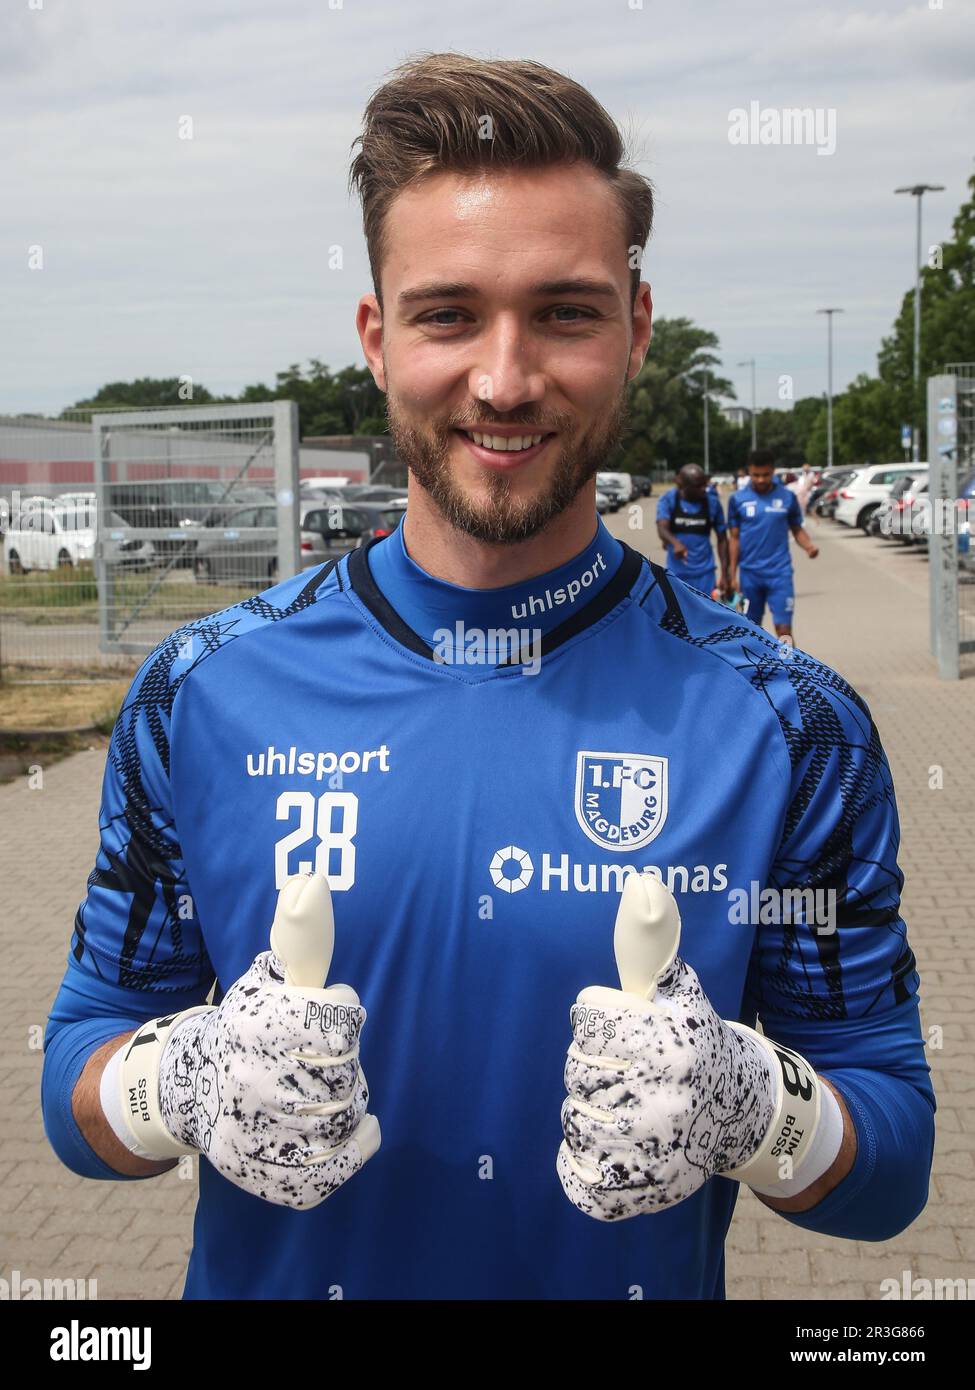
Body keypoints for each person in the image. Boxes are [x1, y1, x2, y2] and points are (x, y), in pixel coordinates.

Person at [41, 52, 933, 1301]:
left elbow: (895, 1151)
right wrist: (173, 1080)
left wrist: (754, 1107)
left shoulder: (794, 721)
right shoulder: (201, 688)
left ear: (635, 328)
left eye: (564, 312)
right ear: (377, 336)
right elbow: (72, 1076)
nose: (504, 379)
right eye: (448, 313)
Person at [728, 448, 819, 644]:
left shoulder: (787, 497)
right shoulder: (737, 500)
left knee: (784, 630)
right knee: (750, 629)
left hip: (780, 574)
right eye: (756, 475)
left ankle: (790, 670)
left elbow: (797, 529)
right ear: (749, 472)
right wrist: (731, 574)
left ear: (773, 471)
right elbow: (734, 539)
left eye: (765, 475)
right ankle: (754, 672)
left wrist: (809, 546)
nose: (761, 479)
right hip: (749, 576)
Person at [655, 463, 729, 597]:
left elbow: (722, 539)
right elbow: (662, 528)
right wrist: (675, 543)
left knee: (704, 616)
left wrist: (725, 573)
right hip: (676, 573)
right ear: (683, 486)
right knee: (679, 616)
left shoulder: (712, 502)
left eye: (704, 484)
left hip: (705, 574)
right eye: (698, 486)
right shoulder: (669, 499)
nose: (704, 489)